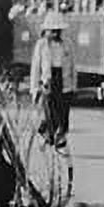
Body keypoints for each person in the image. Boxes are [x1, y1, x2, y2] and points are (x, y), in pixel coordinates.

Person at [30, 11, 77, 148]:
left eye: (58, 31)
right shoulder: (41, 45)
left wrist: (74, 86)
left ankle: (58, 134)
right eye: (53, 31)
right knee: (50, 110)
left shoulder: (67, 44)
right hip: (48, 81)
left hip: (64, 80)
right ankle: (50, 134)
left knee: (63, 112)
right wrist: (34, 89)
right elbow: (36, 68)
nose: (56, 34)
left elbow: (73, 66)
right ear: (46, 31)